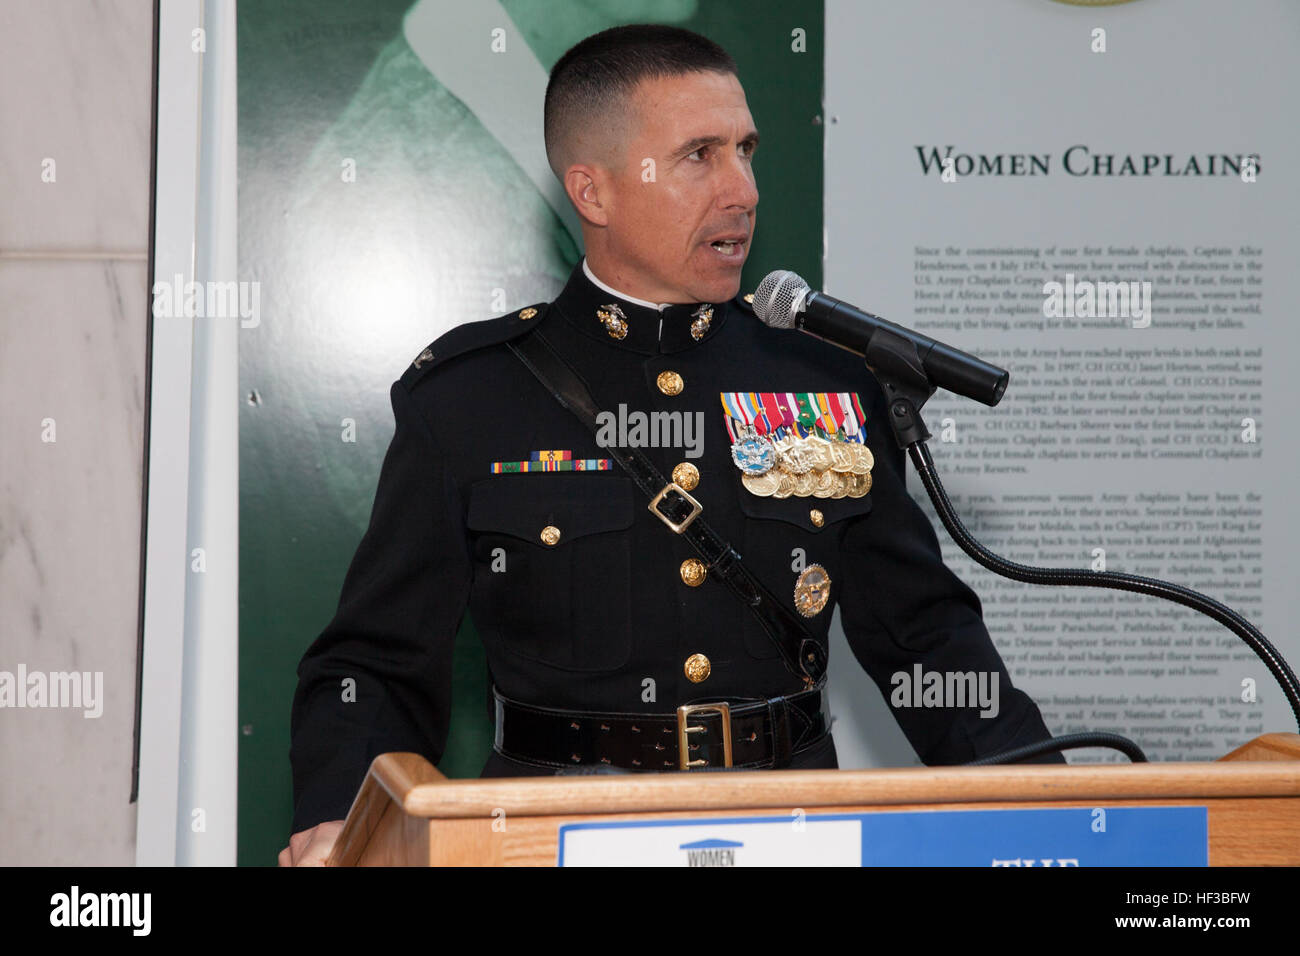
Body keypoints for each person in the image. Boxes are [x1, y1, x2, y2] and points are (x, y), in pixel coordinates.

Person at [280, 24, 1062, 867]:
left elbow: (925, 640)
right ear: (594, 191)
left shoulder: (822, 381)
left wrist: (1046, 807)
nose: (742, 188)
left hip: (792, 826)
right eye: (699, 155)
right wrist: (343, 821)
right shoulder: (474, 397)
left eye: (747, 150)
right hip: (554, 835)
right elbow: (376, 662)